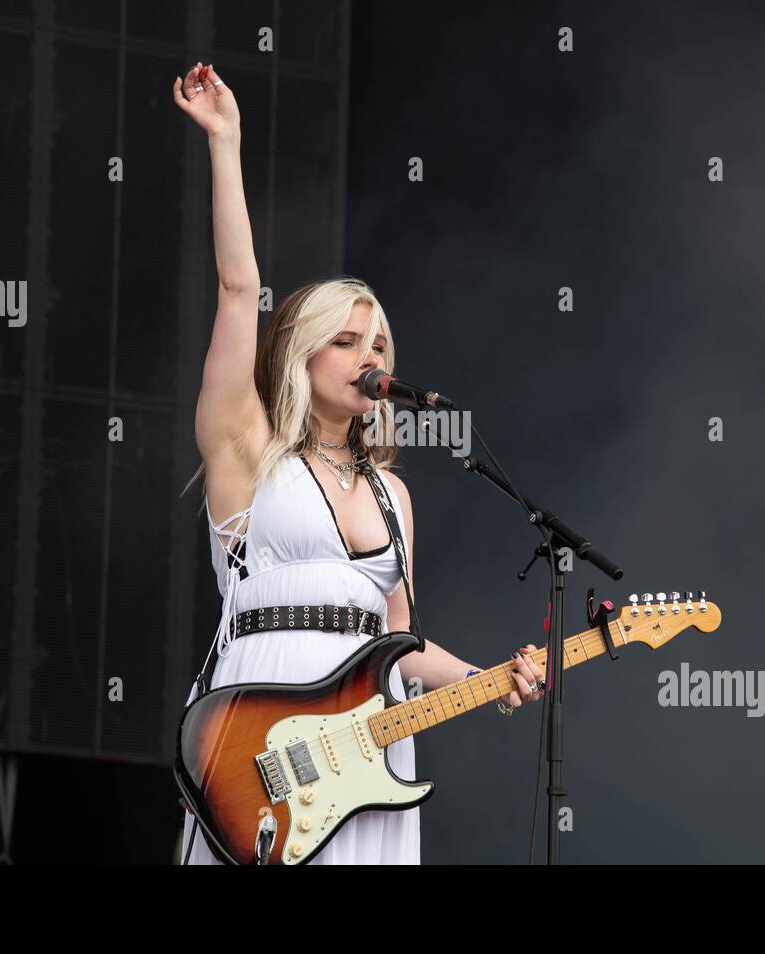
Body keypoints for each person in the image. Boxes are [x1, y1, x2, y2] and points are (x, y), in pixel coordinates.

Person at [172, 63, 545, 865]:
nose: (367, 357)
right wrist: (226, 142)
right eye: (343, 341)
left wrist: (493, 677)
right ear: (302, 358)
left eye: (377, 343)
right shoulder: (248, 453)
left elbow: (401, 641)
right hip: (262, 728)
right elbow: (240, 291)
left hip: (367, 753)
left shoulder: (393, 495)